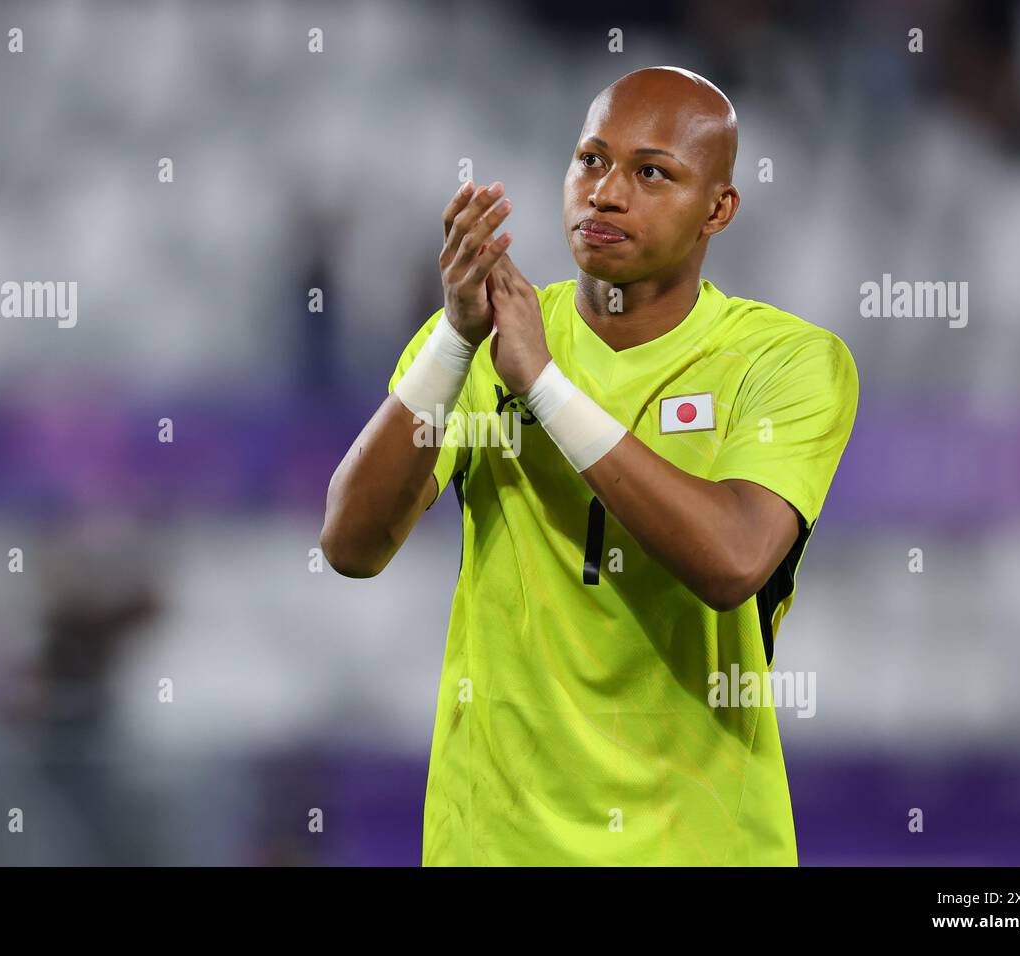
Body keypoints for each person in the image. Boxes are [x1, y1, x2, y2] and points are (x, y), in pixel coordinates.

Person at [321, 67, 859, 865]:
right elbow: (350, 546)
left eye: (651, 172)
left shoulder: (785, 362)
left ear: (719, 208)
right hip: (497, 846)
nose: (606, 193)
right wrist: (454, 340)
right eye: (590, 160)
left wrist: (541, 386)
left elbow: (733, 559)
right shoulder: (479, 343)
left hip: (699, 843)